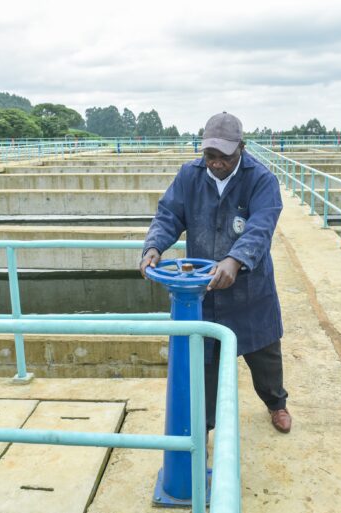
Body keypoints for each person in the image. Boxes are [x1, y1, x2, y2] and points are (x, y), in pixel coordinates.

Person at [139, 112, 292, 434]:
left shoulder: (261, 179)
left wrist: (235, 259)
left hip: (250, 289)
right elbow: (168, 215)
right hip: (203, 290)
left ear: (241, 149)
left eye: (224, 156)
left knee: (264, 353)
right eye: (210, 155)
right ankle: (204, 426)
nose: (216, 163)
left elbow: (260, 227)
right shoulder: (189, 176)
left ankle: (276, 404)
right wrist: (154, 246)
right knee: (205, 359)